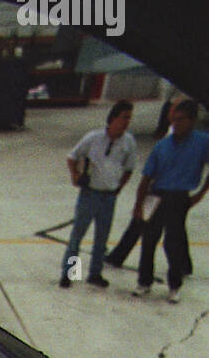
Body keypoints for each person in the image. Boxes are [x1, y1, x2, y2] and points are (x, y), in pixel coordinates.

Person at [106, 95, 194, 274]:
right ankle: (184, 265)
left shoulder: (175, 134)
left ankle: (118, 256)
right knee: (172, 227)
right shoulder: (172, 131)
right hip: (162, 187)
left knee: (145, 221)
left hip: (162, 188)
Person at [132, 99, 209, 303]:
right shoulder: (162, 145)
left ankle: (174, 286)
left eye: (181, 120)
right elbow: (146, 177)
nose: (175, 124)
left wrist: (200, 194)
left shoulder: (202, 142)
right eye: (174, 120)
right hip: (157, 195)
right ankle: (144, 281)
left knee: (172, 244)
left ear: (192, 121)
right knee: (149, 240)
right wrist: (139, 205)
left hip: (179, 197)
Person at [59, 101, 137, 289]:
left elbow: (129, 168)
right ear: (113, 118)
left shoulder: (128, 142)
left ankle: (95, 274)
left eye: (129, 118)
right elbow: (72, 157)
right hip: (90, 194)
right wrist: (76, 175)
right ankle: (70, 274)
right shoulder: (93, 138)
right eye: (124, 117)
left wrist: (119, 187)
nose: (126, 122)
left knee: (101, 239)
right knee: (78, 235)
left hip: (109, 196)